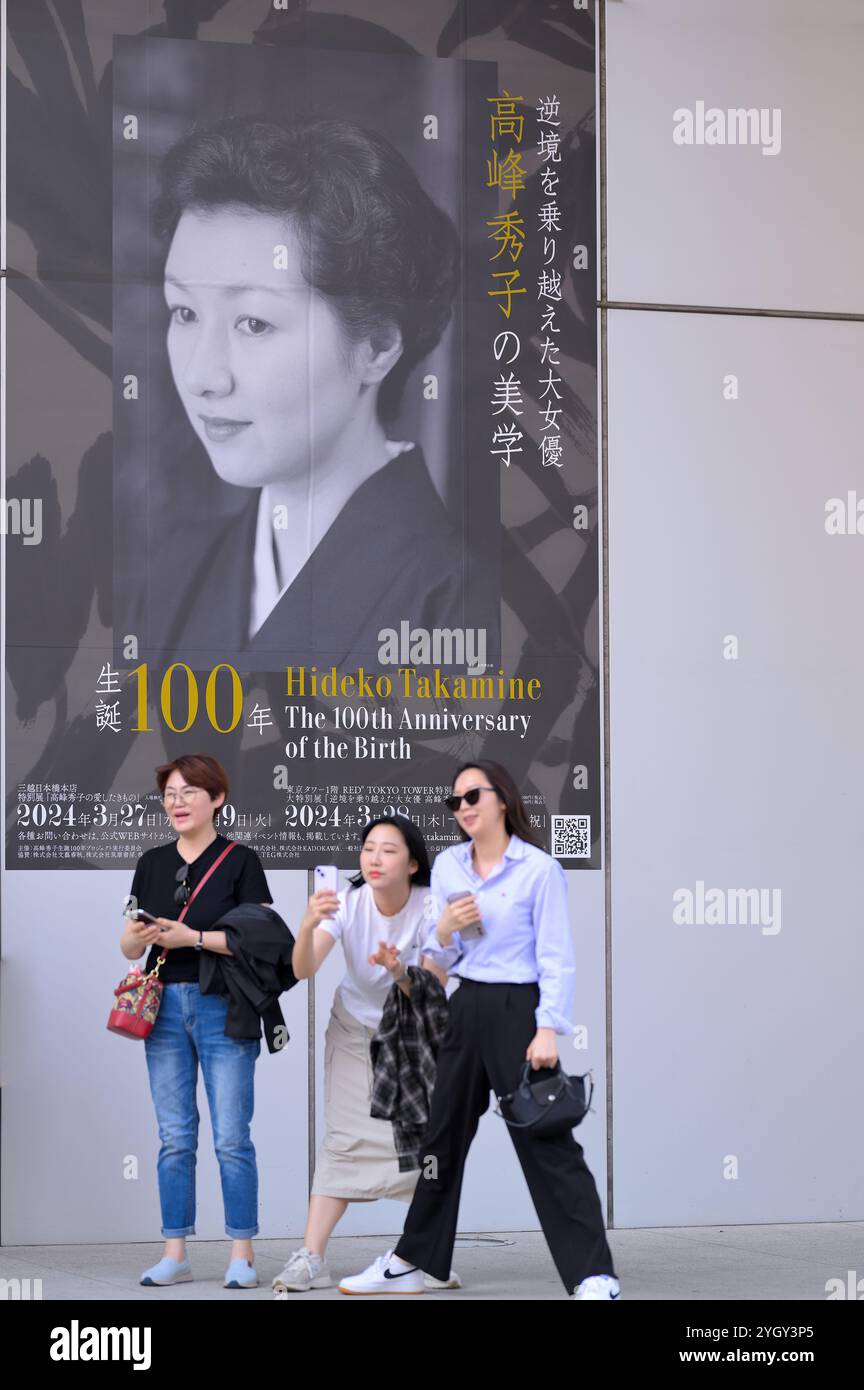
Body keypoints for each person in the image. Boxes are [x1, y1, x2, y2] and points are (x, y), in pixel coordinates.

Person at [146, 113, 469, 672]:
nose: (202, 376)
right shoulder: (180, 567)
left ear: (376, 346)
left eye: (254, 323)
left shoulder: (456, 598)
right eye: (185, 312)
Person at [338, 760, 621, 1300]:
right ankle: (413, 1262)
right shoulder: (448, 867)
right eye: (455, 802)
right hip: (464, 1007)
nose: (463, 808)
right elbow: (440, 957)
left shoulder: (537, 869)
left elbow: (556, 957)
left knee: (547, 1141)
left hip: (520, 1010)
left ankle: (592, 1274)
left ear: (503, 799)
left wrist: (548, 1029)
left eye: (473, 796)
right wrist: (442, 929)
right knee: (439, 1137)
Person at [271, 816, 455, 1295]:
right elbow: (304, 968)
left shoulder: (433, 905)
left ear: (413, 863)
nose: (374, 858)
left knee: (423, 1149)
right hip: (354, 1029)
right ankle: (311, 1258)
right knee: (345, 1138)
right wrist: (310, 920)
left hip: (411, 1032)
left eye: (388, 850)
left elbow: (431, 989)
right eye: (368, 848)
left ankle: (423, 1258)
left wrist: (398, 971)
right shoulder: (346, 903)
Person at [119, 753, 273, 1289]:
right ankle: (175, 1251)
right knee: (174, 1136)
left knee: (232, 1135)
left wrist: (194, 939)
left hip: (222, 1004)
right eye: (170, 794)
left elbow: (259, 938)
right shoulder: (151, 862)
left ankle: (242, 1253)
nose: (177, 802)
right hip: (161, 1006)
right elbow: (125, 944)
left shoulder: (240, 860)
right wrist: (138, 936)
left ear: (217, 799)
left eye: (189, 792)